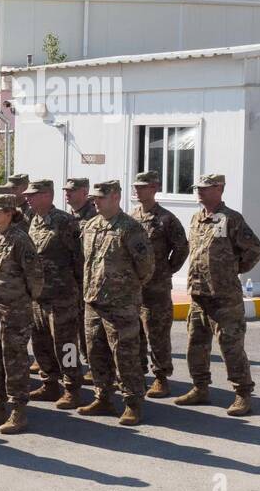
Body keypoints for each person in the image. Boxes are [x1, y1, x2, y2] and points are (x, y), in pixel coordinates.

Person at [177, 173, 260, 415]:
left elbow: (255, 250)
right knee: (196, 345)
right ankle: (200, 387)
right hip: (198, 295)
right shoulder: (196, 218)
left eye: (205, 188)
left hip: (224, 298)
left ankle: (243, 393)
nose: (200, 191)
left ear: (220, 189)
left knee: (231, 346)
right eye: (198, 188)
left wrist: (233, 270)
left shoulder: (232, 219)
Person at [78, 180, 154, 425]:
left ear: (116, 197)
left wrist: (126, 290)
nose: (95, 202)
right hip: (93, 301)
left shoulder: (131, 228)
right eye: (95, 198)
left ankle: (133, 402)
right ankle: (103, 397)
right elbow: (87, 261)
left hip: (120, 304)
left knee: (124, 355)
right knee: (95, 353)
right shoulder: (91, 226)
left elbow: (146, 267)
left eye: (101, 197)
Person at [0, 194, 44, 433]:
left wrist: (23, 301)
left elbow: (35, 277)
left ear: (9, 213)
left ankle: (18, 410)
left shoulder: (20, 240)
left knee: (14, 359)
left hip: (14, 311)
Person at [25, 179, 85, 408]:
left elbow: (79, 259)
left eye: (33, 195)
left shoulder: (64, 222)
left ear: (47, 196)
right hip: (38, 297)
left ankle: (72, 387)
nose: (28, 198)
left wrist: (76, 293)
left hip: (62, 297)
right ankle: (50, 383)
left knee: (66, 345)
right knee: (40, 343)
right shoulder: (33, 220)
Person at [130, 170, 190, 398]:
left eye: (142, 186)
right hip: (135, 287)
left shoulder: (166, 219)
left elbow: (182, 247)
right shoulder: (132, 217)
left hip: (157, 288)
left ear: (154, 188)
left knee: (157, 333)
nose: (137, 189)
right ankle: (138, 373)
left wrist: (167, 269)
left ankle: (161, 378)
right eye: (136, 186)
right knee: (135, 333)